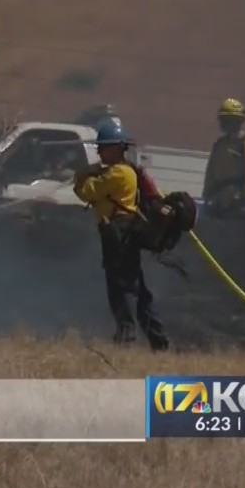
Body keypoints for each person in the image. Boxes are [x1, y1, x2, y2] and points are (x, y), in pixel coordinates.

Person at [73, 122, 170, 351]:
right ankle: (158, 339)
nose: (99, 152)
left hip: (118, 233)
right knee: (138, 290)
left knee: (120, 288)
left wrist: (82, 173)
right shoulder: (123, 170)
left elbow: (87, 191)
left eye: (103, 147)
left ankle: (126, 335)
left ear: (117, 149)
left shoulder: (118, 173)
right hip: (123, 232)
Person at [201, 98, 245, 219]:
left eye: (226, 119)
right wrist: (208, 194)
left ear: (236, 121)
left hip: (239, 203)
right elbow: (211, 170)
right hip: (218, 201)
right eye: (222, 119)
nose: (222, 123)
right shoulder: (220, 144)